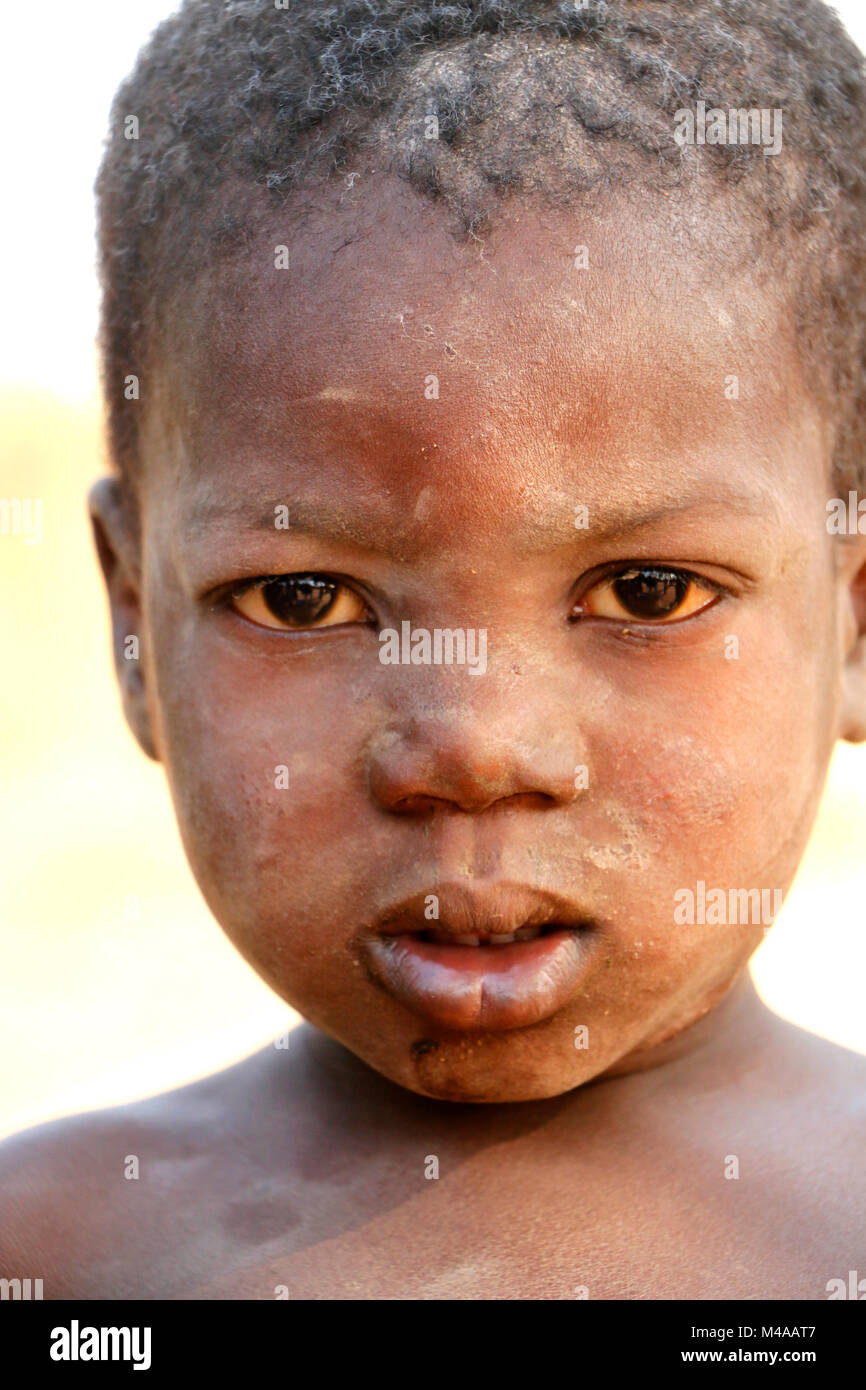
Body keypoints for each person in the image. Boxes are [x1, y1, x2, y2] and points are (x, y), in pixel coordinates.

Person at [2, 0, 865, 1299]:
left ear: (851, 617)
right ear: (134, 618)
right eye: (301, 599)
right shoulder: (54, 1254)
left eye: (644, 589)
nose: (471, 743)